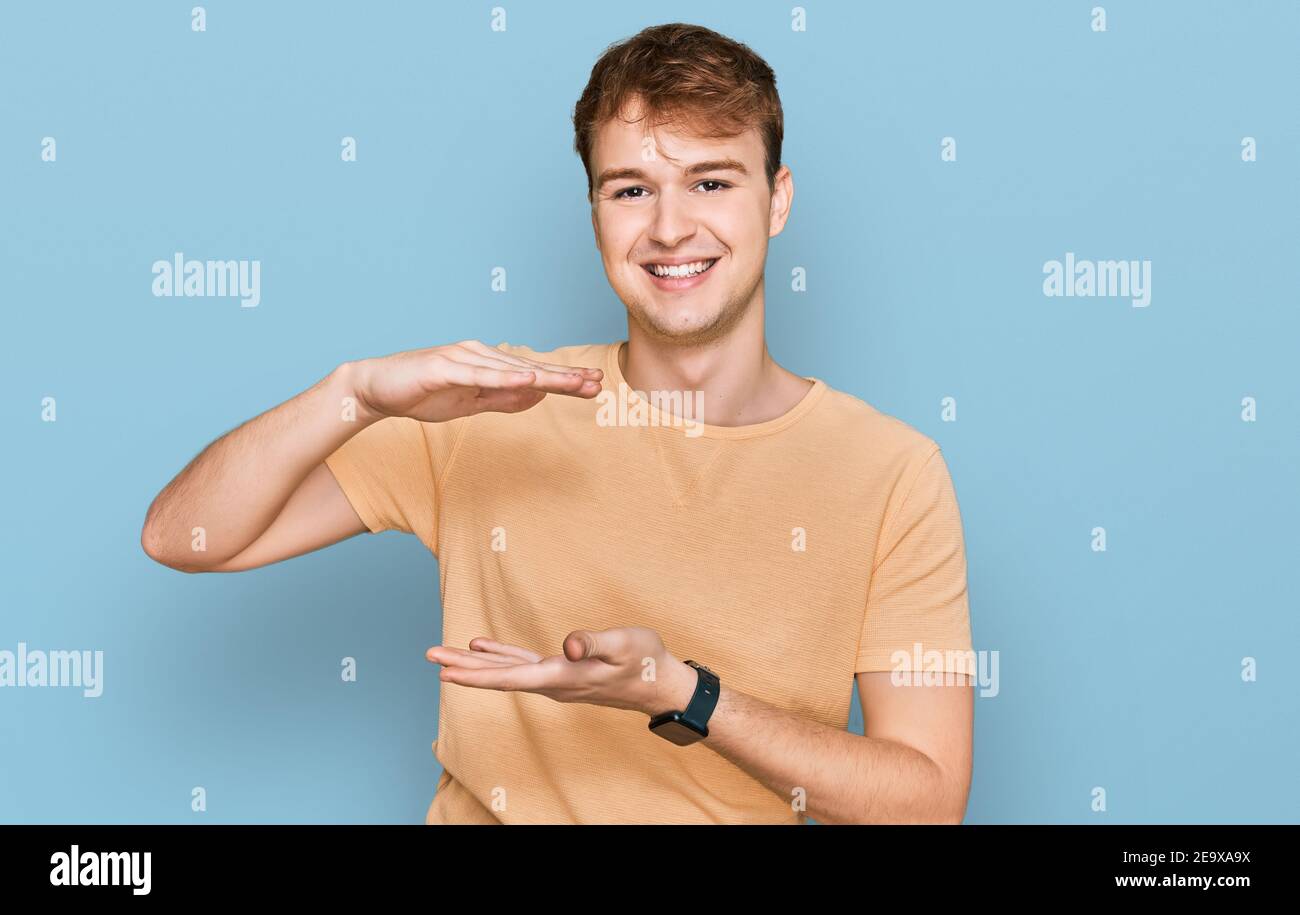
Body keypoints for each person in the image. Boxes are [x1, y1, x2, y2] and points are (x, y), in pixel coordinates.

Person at [141, 22, 975, 825]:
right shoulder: (489, 404)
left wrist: (683, 694)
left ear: (778, 200)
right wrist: (354, 394)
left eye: (712, 182)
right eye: (631, 190)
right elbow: (183, 537)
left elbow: (927, 802)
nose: (670, 227)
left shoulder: (892, 470)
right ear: (594, 213)